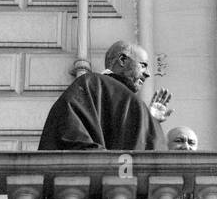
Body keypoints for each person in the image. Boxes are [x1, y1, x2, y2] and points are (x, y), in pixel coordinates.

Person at [38, 40, 170, 151]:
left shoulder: (128, 99)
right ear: (122, 60)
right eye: (143, 66)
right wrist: (107, 163)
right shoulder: (92, 84)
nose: (147, 74)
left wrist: (149, 120)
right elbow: (69, 131)